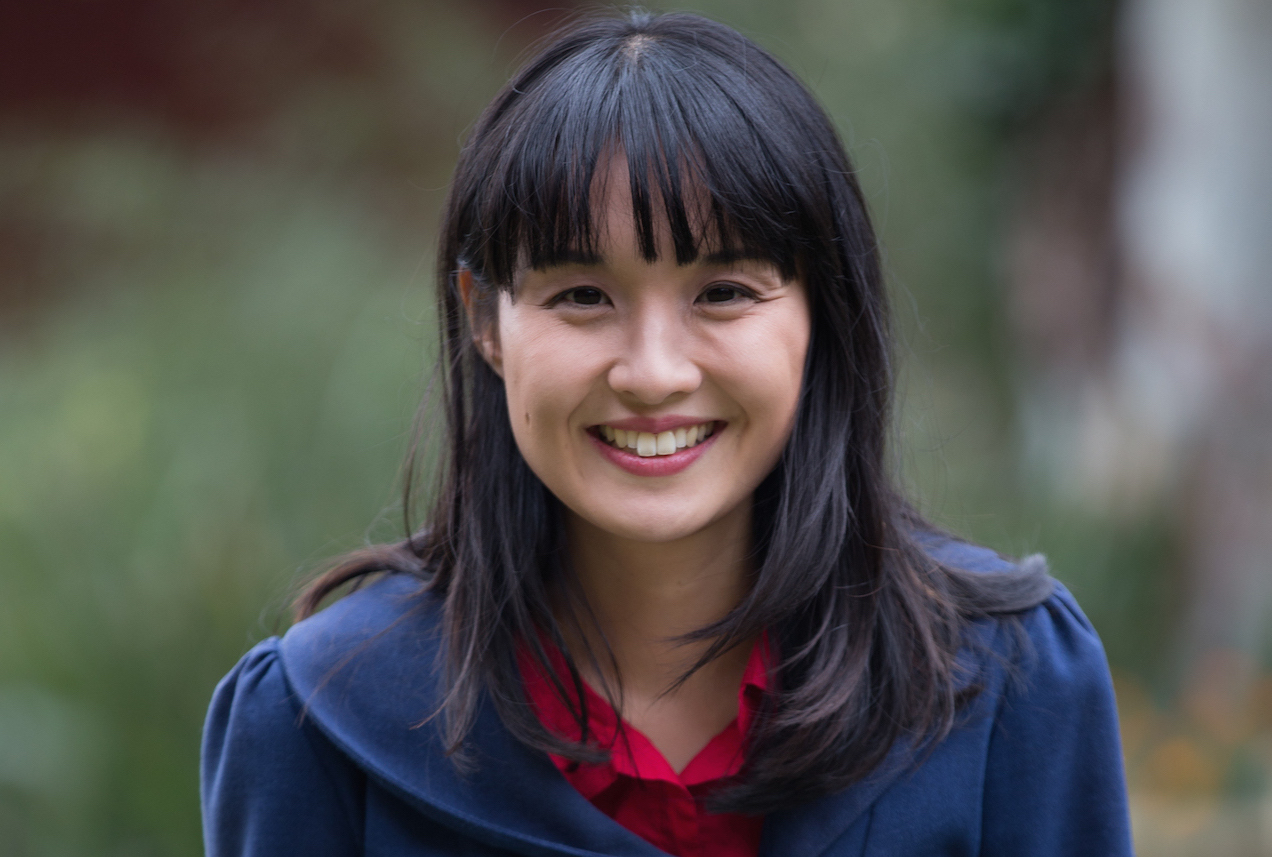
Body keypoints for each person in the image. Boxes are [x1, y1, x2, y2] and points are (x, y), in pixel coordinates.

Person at [200, 10, 1133, 856]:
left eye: (723, 292)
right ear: (485, 320)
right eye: (582, 296)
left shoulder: (1010, 684)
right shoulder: (320, 722)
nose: (653, 373)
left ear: (822, 311)